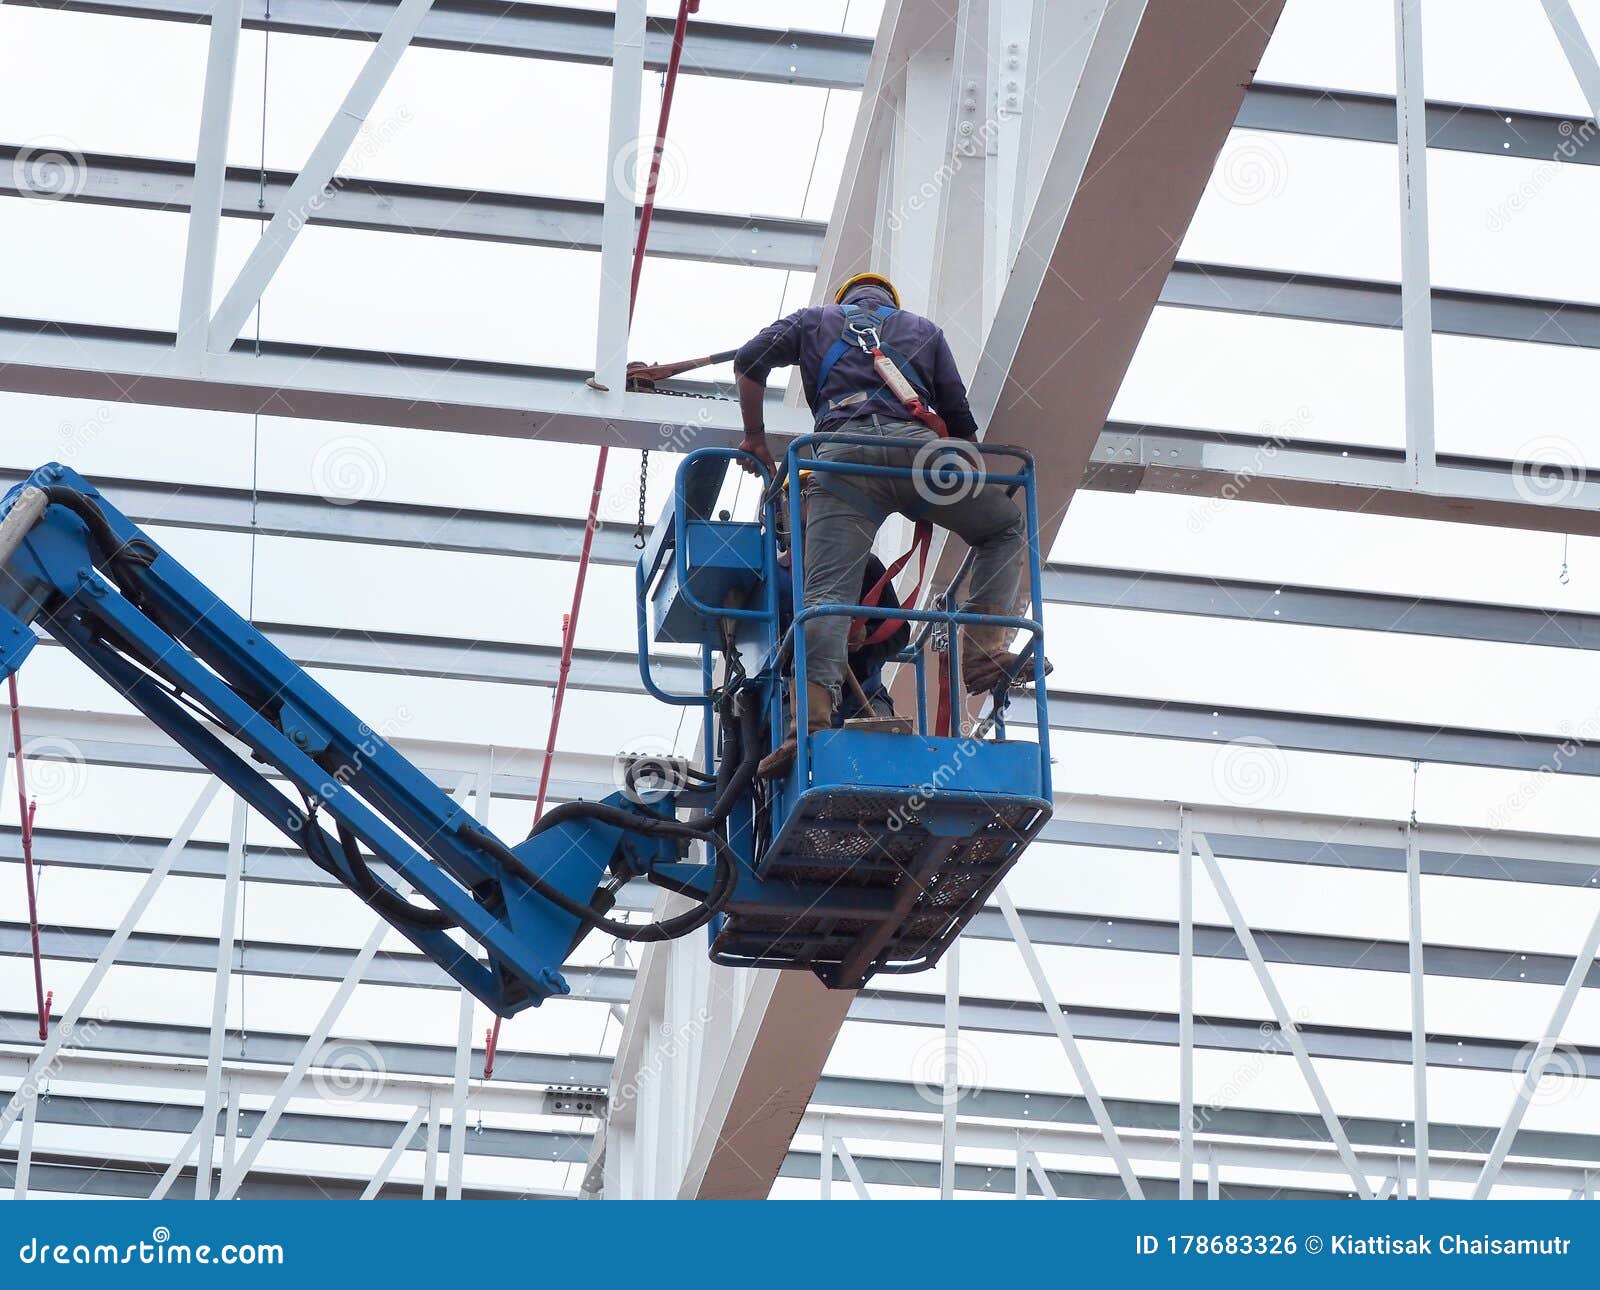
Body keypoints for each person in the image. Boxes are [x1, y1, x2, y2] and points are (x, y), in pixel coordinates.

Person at [733, 272, 1041, 779]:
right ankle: (984, 652)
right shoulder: (924, 330)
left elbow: (749, 359)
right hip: (917, 456)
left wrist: (754, 436)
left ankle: (807, 730)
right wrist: (943, 491)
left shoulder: (812, 322)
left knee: (825, 599)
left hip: (841, 459)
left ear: (844, 300)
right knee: (1003, 528)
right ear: (890, 303)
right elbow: (962, 427)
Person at [774, 472, 910, 727]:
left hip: (864, 697)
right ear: (783, 514)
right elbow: (766, 654)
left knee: (884, 744)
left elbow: (899, 632)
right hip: (796, 702)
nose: (820, 501)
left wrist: (866, 636)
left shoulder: (865, 566)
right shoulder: (775, 579)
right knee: (793, 744)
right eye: (806, 494)